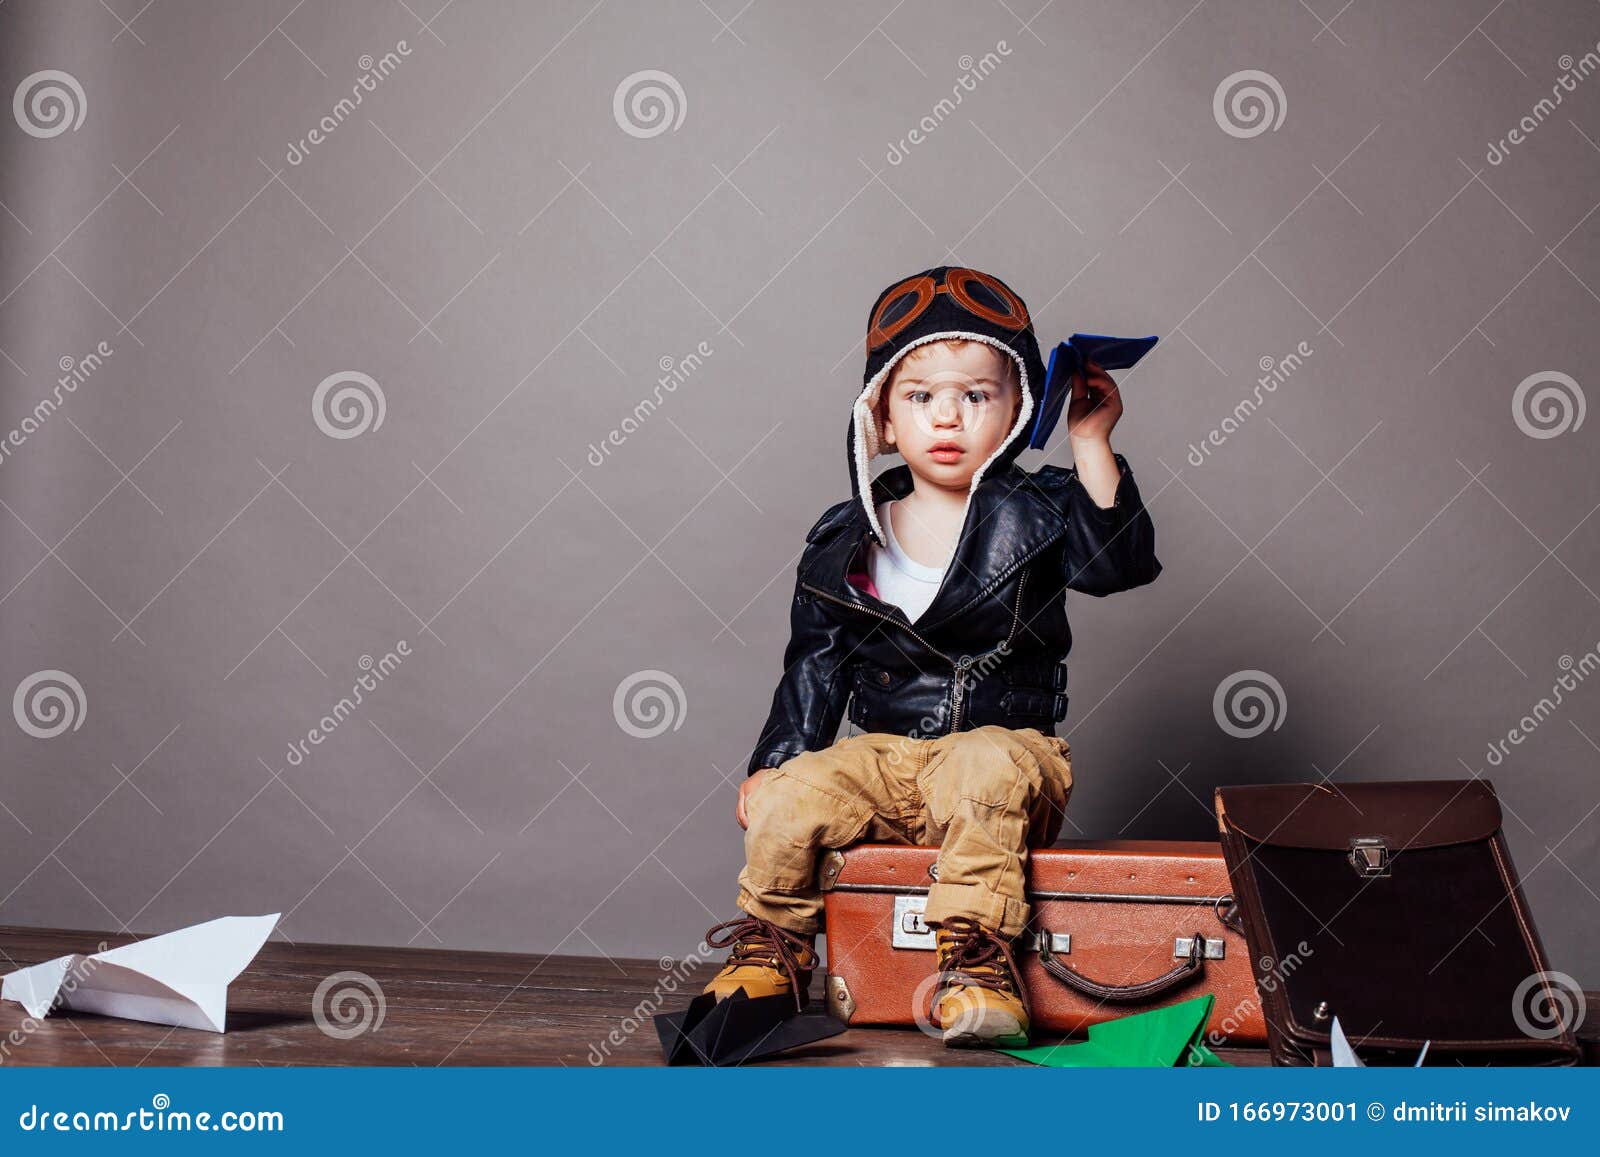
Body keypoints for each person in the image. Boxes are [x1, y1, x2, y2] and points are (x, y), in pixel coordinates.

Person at [701, 266, 1161, 1047]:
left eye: (977, 395)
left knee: (985, 768)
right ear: (878, 415)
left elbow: (1115, 568)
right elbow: (814, 664)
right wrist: (776, 760)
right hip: (885, 758)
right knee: (793, 792)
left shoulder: (1043, 508)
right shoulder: (844, 533)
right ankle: (772, 951)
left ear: (1020, 409)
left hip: (1005, 753)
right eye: (920, 397)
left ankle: (976, 967)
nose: (948, 416)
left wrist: (1090, 442)